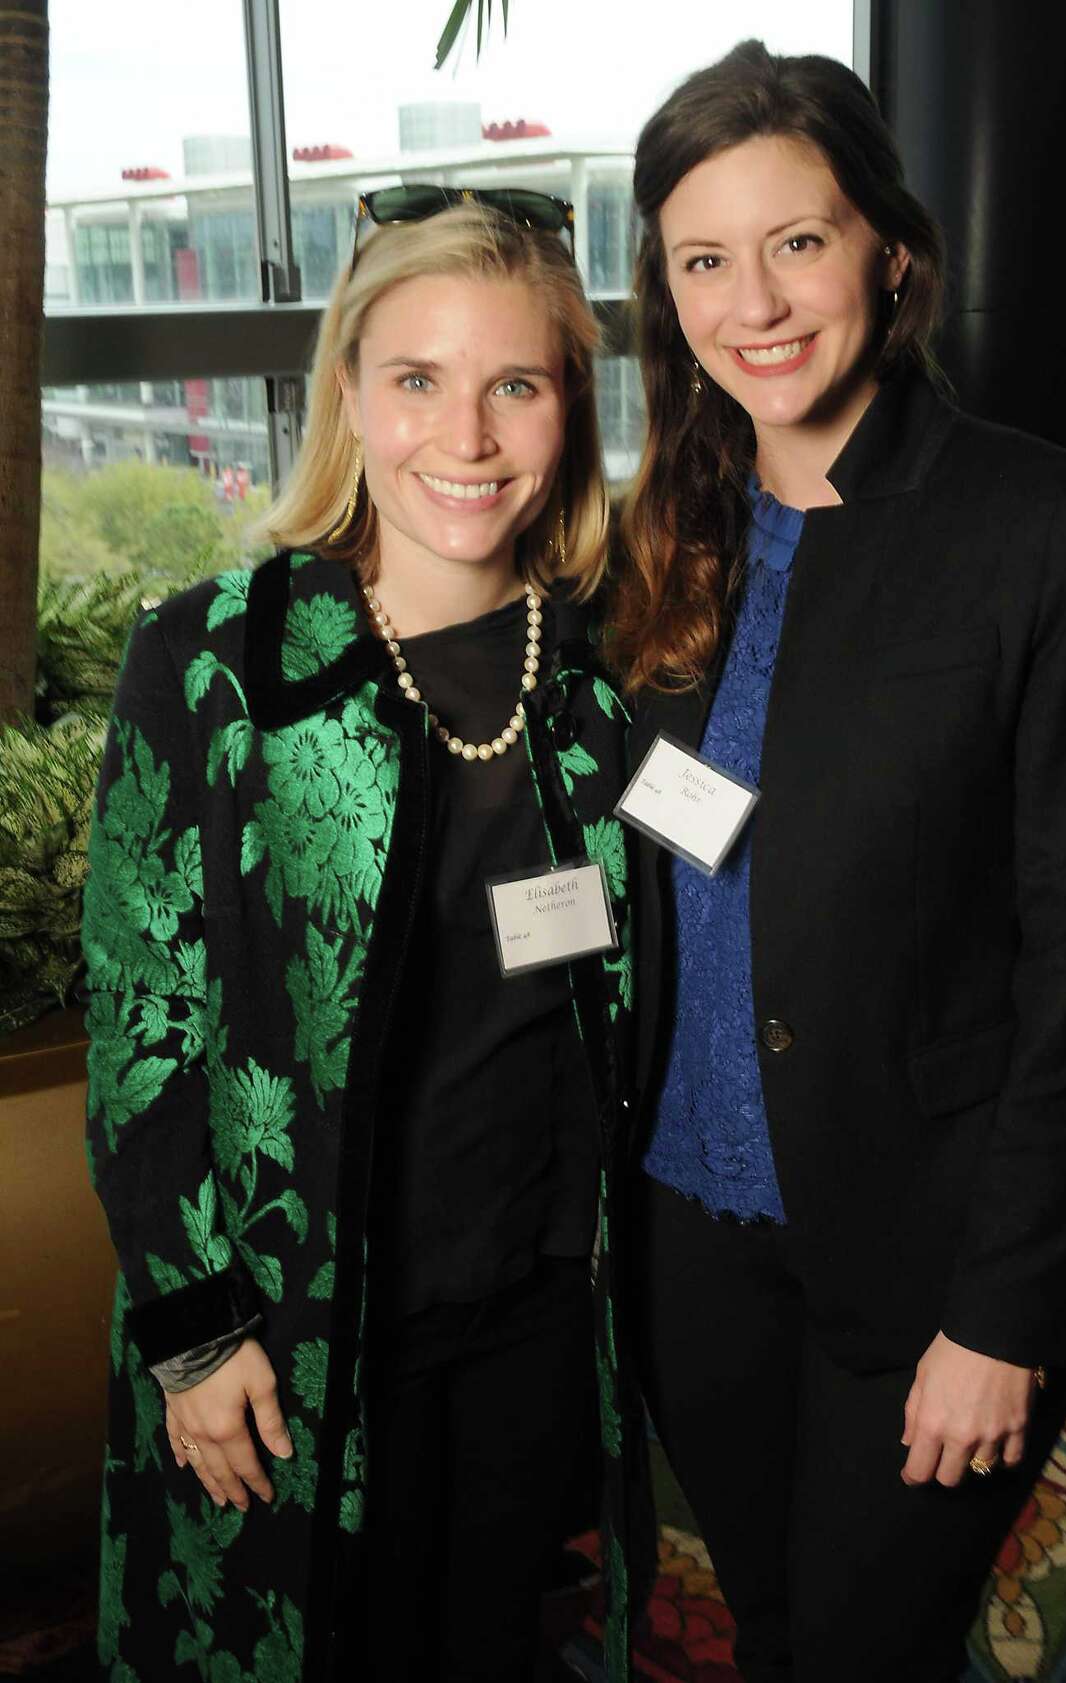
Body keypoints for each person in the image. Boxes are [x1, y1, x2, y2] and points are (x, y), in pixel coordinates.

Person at [608, 42, 1066, 1683]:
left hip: (931, 1245)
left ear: (892, 252)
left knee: (868, 1649)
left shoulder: (1044, 527)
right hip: (691, 1241)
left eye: (799, 242)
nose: (755, 302)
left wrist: (1004, 1308)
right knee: (776, 1629)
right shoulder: (654, 542)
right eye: (706, 260)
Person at [82, 191, 645, 1683]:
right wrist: (194, 1337)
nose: (464, 438)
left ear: (566, 405)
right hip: (286, 1331)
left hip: (529, 1316)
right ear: (347, 391)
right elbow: (142, 1028)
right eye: (417, 381)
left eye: (513, 385)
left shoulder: (608, 674)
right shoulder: (212, 659)